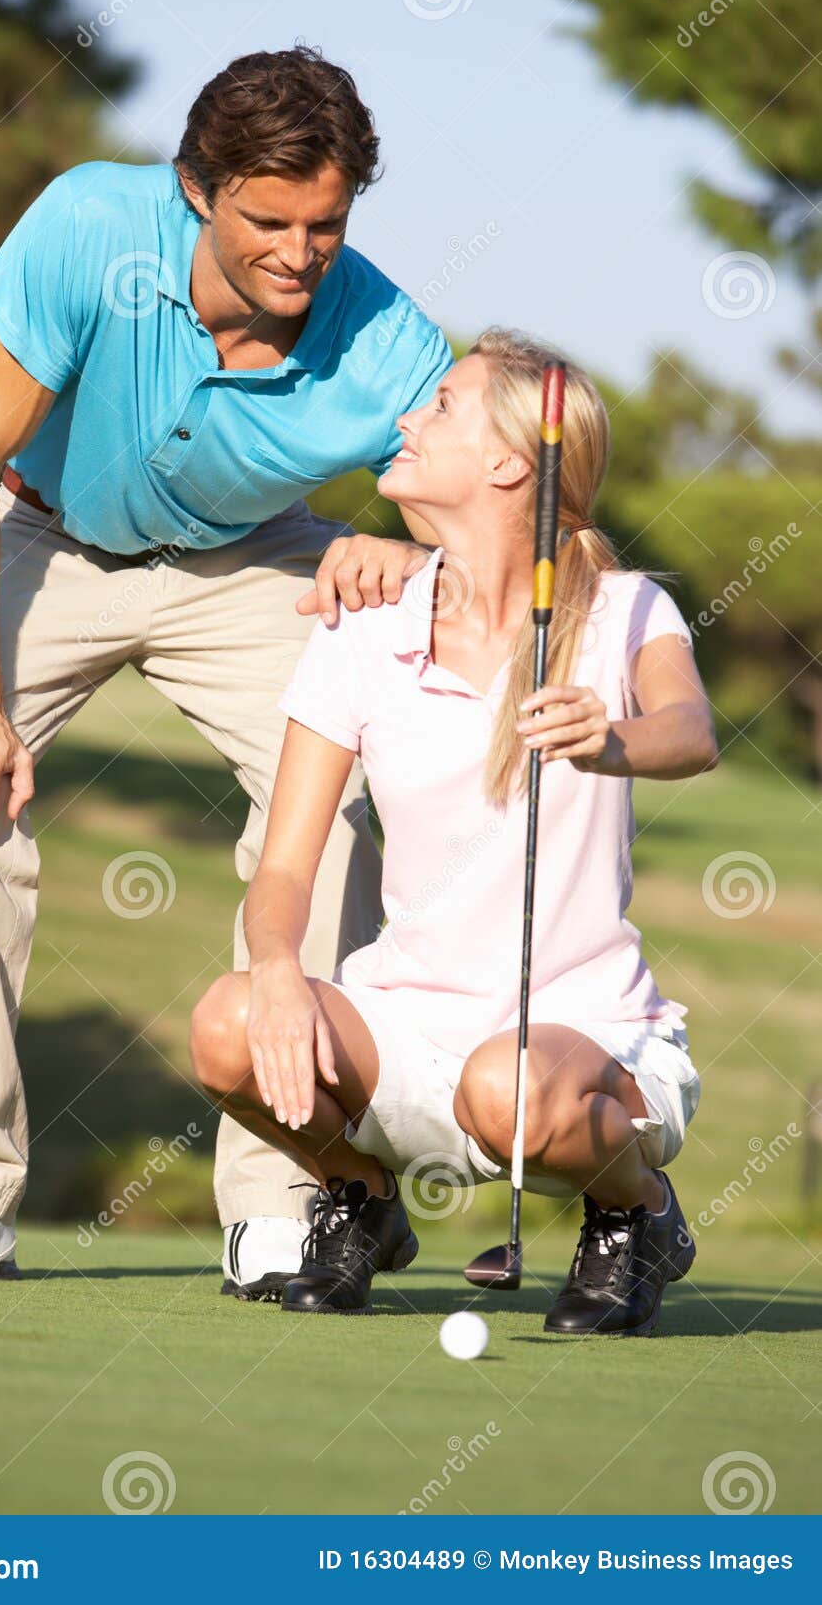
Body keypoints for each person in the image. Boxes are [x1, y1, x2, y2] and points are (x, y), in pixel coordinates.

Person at [0, 46, 452, 1286]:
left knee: (343, 808)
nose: (299, 255)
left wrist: (403, 550)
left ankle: (284, 1203)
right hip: (46, 530)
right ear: (197, 187)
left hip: (255, 559)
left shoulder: (385, 330)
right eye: (267, 221)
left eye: (325, 225)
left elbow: (505, 492)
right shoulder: (87, 225)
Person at [190, 327, 719, 1333]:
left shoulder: (621, 611)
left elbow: (689, 733)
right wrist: (270, 969)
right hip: (402, 1024)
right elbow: (286, 866)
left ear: (508, 460)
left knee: (507, 1087)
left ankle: (635, 1211)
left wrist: (610, 739)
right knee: (224, 1026)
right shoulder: (363, 625)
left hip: (580, 1041)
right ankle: (358, 1193)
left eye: (438, 409)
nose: (404, 421)